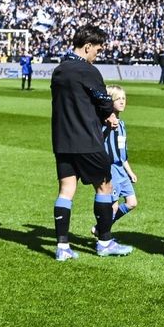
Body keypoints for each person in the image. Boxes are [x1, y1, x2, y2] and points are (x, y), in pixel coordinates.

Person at [48, 26, 128, 261]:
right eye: (98, 50)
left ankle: (62, 247)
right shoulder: (88, 71)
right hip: (87, 140)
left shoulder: (59, 70)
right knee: (105, 187)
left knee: (66, 190)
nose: (97, 55)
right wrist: (107, 114)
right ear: (87, 46)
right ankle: (104, 242)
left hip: (62, 140)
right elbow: (105, 104)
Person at [104, 86, 138, 226]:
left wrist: (130, 172)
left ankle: (100, 228)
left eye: (124, 98)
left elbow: (122, 152)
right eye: (118, 99)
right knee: (113, 205)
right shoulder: (106, 123)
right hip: (111, 169)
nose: (122, 102)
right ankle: (104, 235)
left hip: (122, 170)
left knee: (132, 203)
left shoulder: (122, 124)